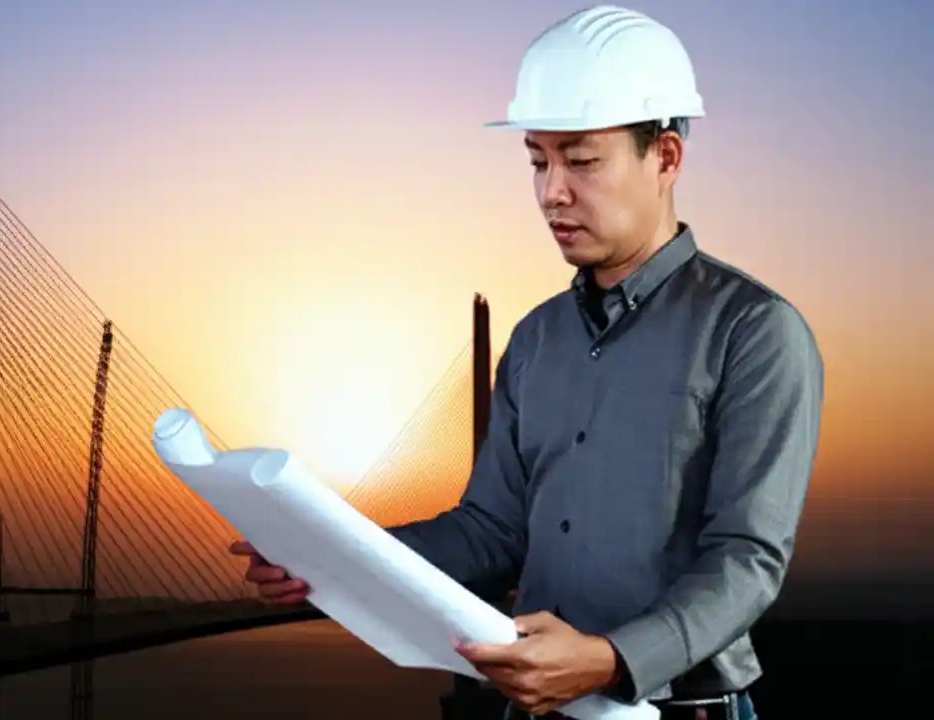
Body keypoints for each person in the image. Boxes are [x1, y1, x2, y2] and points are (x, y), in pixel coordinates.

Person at [230, 5, 823, 719]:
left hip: (683, 710)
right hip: (533, 709)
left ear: (665, 157)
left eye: (581, 160)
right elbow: (490, 531)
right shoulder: (535, 341)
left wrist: (611, 661)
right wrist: (333, 559)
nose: (551, 193)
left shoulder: (753, 331)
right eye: (538, 160)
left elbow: (747, 560)